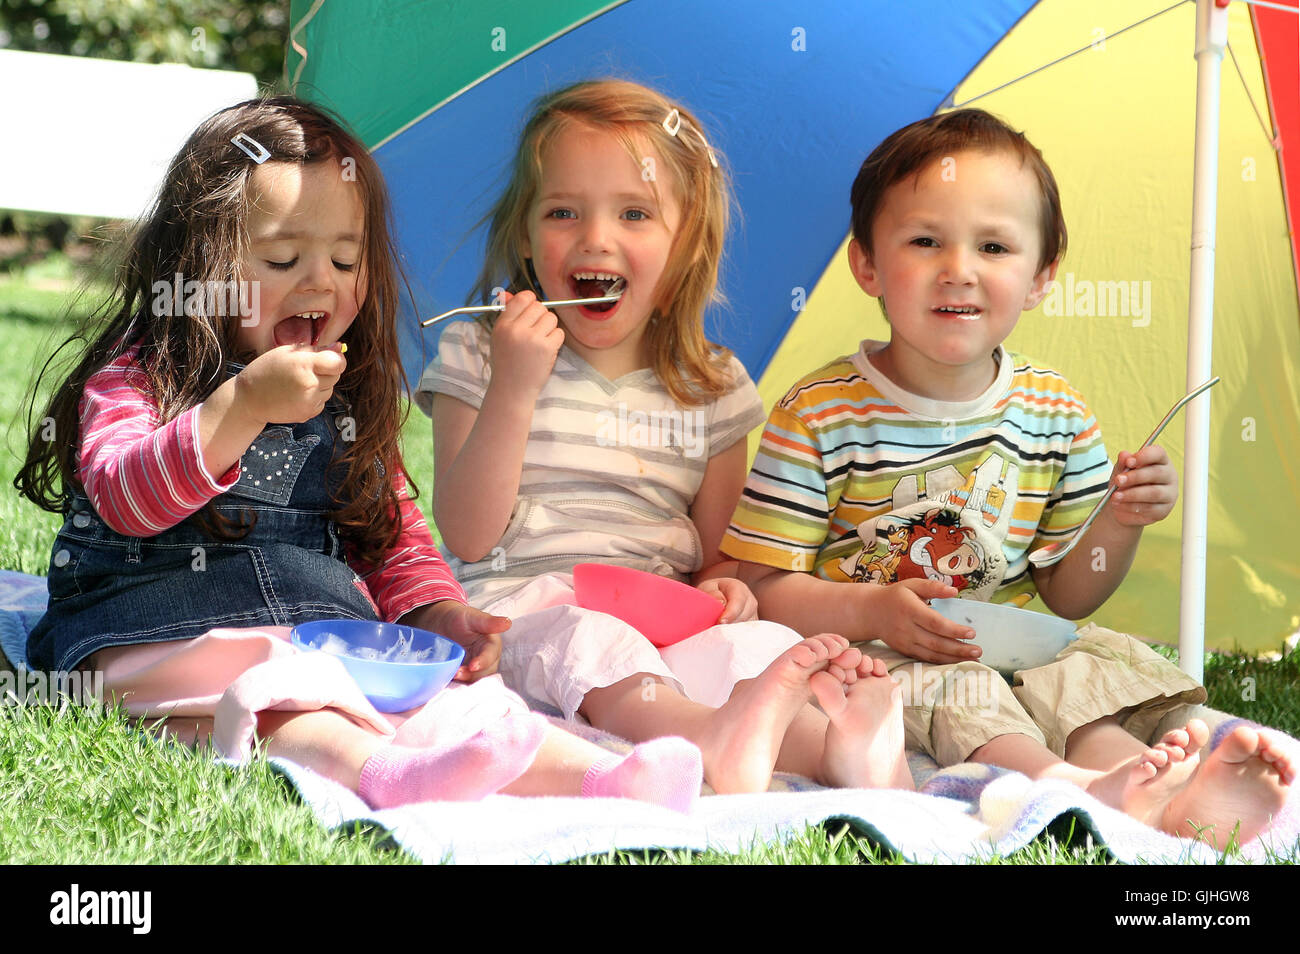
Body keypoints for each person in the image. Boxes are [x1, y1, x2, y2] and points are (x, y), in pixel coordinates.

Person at [15, 96, 707, 812]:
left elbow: (388, 531)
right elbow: (126, 499)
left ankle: (600, 776)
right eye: (284, 258)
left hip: (312, 628)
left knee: (454, 704)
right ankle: (384, 775)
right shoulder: (141, 377)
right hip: (154, 626)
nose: (321, 281)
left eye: (346, 258)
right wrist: (241, 406)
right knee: (293, 702)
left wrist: (438, 612)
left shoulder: (340, 402)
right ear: (199, 265)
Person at [722, 108, 1295, 846]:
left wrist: (1120, 521)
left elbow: (1069, 593)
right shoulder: (820, 414)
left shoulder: (1055, 411)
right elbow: (765, 589)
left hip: (1028, 641)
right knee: (962, 691)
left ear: (1040, 278)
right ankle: (1071, 790)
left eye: (994, 246)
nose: (958, 267)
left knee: (1087, 672)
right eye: (925, 240)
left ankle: (1147, 778)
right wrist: (875, 613)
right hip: (884, 653)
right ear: (867, 263)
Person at [420, 79, 911, 795]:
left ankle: (835, 750)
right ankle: (706, 737)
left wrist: (728, 592)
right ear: (526, 236)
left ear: (683, 246)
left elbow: (721, 560)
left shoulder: (711, 385)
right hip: (527, 611)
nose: (595, 238)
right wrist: (515, 387)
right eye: (562, 211)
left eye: (634, 213)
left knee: (760, 647)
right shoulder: (482, 352)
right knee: (592, 641)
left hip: (667, 620)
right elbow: (465, 534)